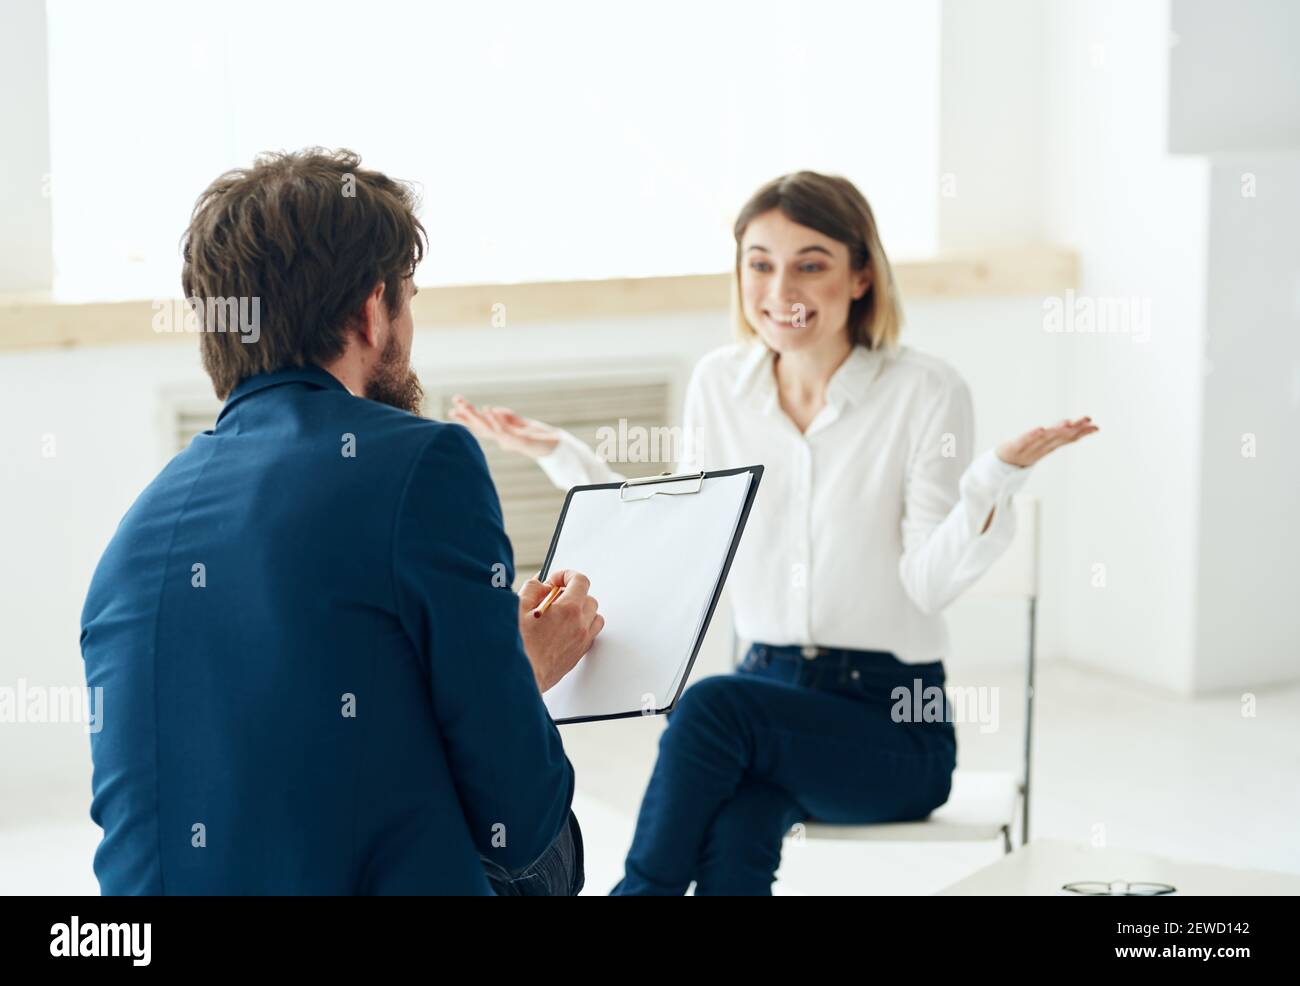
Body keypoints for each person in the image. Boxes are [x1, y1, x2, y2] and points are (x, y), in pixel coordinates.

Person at [450, 170, 1098, 895]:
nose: (781, 289)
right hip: (765, 701)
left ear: (860, 276)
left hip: (890, 726)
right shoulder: (720, 384)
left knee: (712, 706)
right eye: (760, 264)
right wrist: (561, 454)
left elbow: (929, 583)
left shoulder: (926, 390)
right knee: (735, 832)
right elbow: (681, 535)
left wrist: (993, 480)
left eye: (810, 264)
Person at [80, 148, 602, 895]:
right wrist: (516, 676)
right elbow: (518, 821)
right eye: (408, 300)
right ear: (370, 309)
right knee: (554, 850)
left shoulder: (135, 533)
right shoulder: (425, 463)